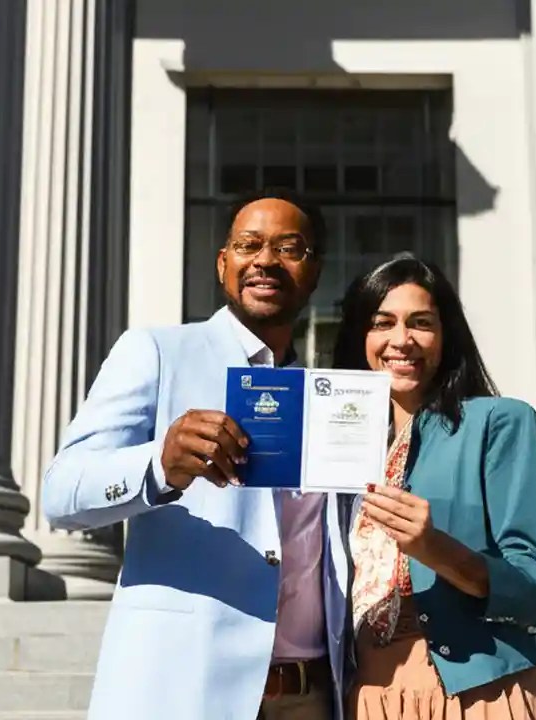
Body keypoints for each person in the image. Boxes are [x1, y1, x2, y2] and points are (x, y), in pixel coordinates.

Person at [42, 190, 349, 720]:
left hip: (311, 695)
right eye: (248, 245)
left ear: (315, 269)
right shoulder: (157, 352)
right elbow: (61, 492)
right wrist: (158, 465)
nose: (266, 261)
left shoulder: (329, 396)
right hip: (183, 687)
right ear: (222, 263)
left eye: (289, 247)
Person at [331, 253, 536, 720]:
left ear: (445, 334)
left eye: (421, 322)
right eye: (382, 322)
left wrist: (434, 548)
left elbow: (534, 588)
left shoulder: (500, 423)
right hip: (368, 692)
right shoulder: (334, 446)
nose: (402, 340)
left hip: (477, 692)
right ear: (360, 336)